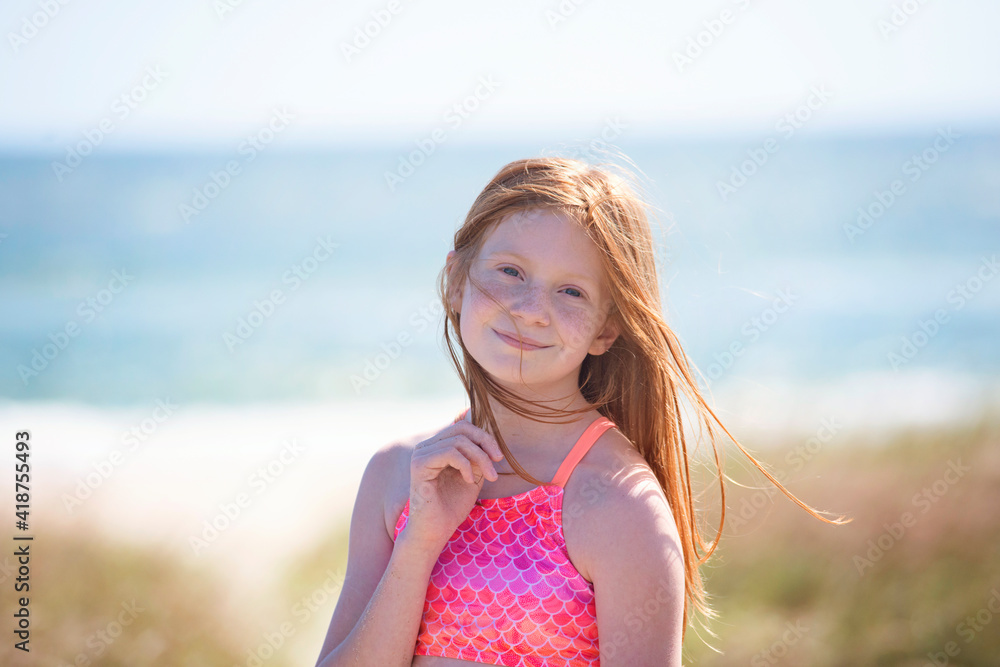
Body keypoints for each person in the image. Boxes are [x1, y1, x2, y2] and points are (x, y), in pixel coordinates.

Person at [315, 154, 844, 667]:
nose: (532, 311)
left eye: (570, 291)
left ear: (605, 329)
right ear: (456, 282)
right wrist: (419, 542)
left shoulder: (619, 505)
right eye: (510, 271)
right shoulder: (397, 476)